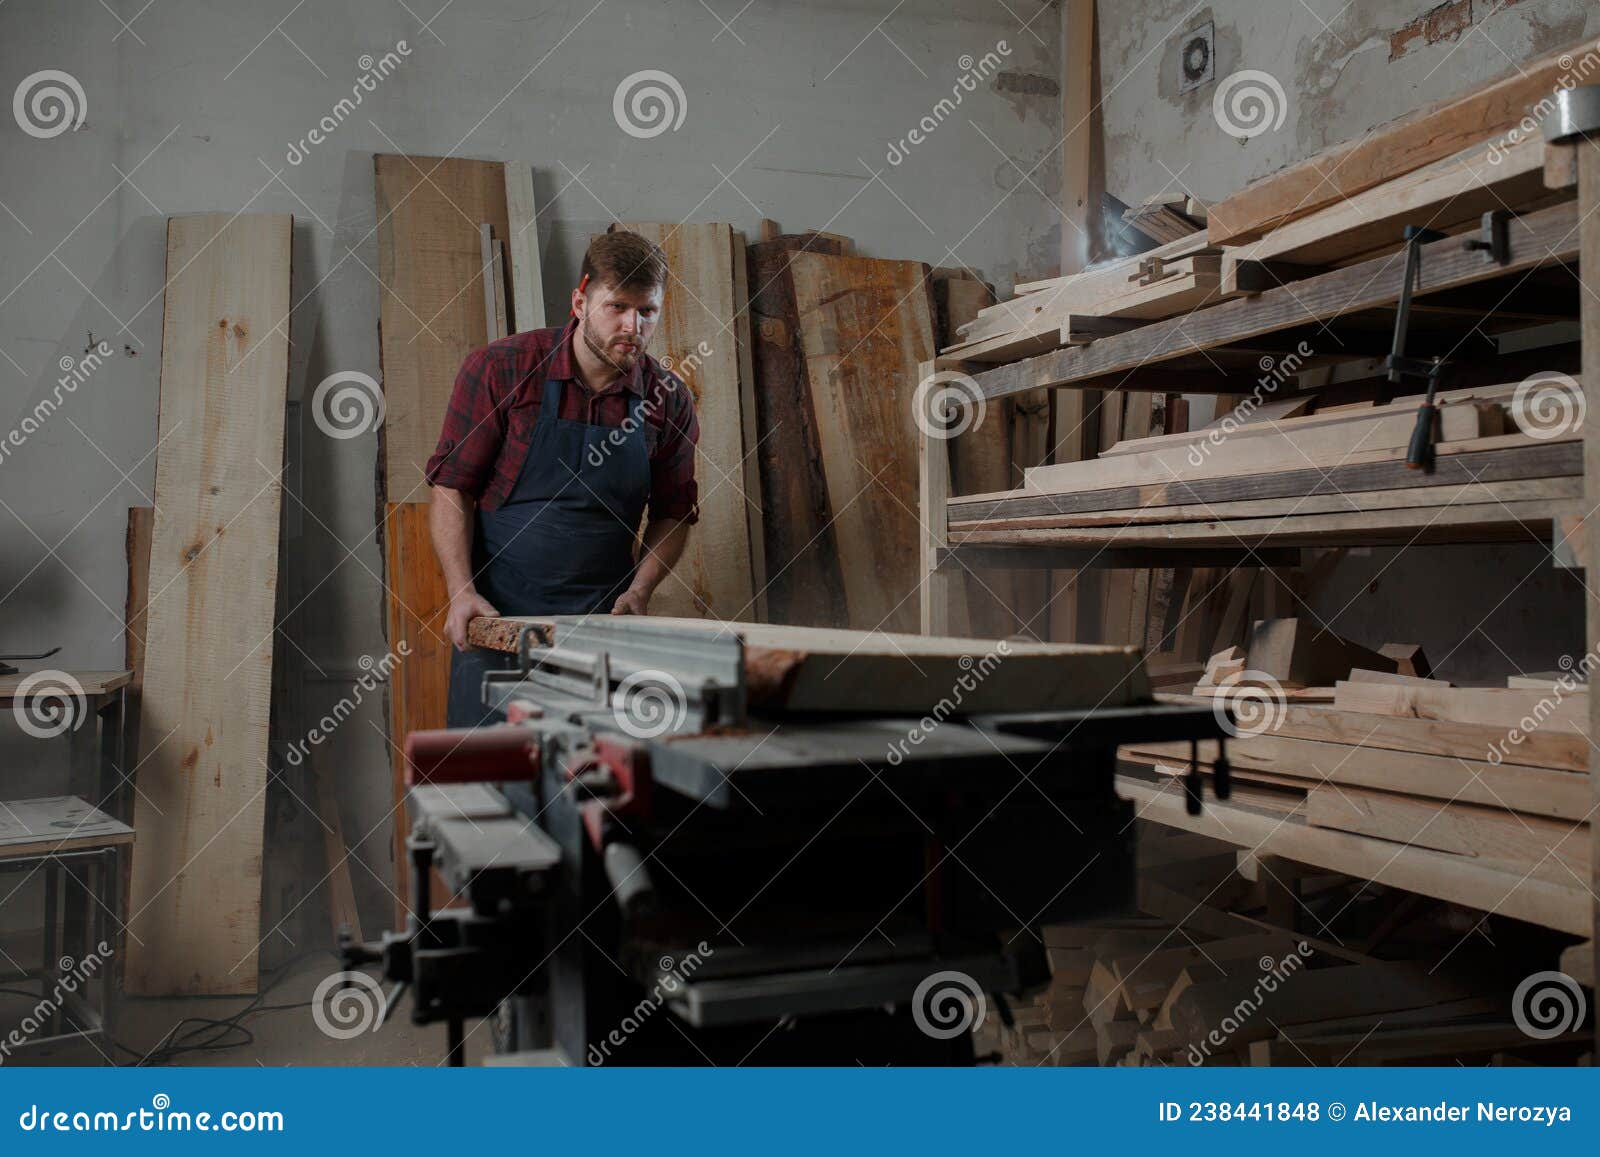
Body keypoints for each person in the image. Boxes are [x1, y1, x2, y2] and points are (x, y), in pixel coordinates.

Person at [424, 229, 699, 727]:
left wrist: (640, 591)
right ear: (580, 300)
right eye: (616, 306)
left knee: (592, 791)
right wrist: (461, 591)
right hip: (497, 622)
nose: (632, 326)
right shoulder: (501, 370)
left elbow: (674, 513)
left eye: (647, 311)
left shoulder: (668, 399)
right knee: (489, 789)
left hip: (601, 633)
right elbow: (452, 488)